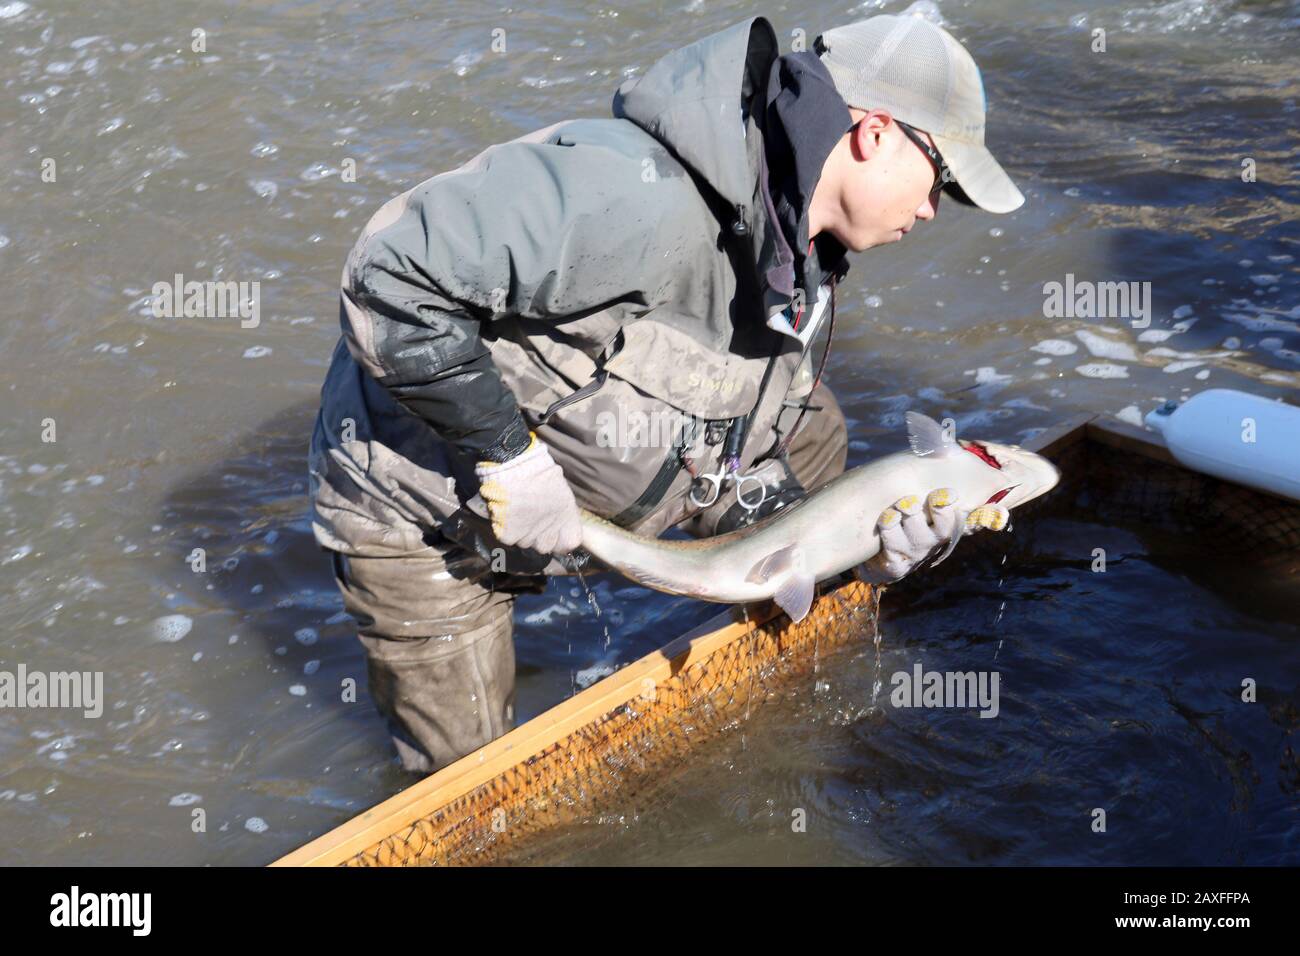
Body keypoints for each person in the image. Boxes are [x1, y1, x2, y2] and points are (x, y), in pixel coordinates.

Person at [308, 12, 1025, 773]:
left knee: (816, 429)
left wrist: (860, 553)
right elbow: (388, 274)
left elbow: (745, 438)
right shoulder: (636, 191)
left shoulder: (808, 258)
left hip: (618, 468)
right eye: (940, 178)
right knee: (467, 789)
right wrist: (507, 457)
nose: (932, 211)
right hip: (432, 515)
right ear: (875, 132)